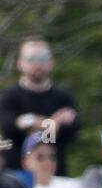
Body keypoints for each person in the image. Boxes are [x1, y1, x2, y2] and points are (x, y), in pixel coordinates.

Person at [0, 37, 80, 175]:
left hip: (56, 175)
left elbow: (72, 132)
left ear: (51, 62)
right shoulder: (10, 96)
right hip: (16, 174)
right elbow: (9, 129)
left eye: (43, 58)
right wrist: (53, 123)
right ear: (20, 63)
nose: (38, 64)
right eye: (31, 59)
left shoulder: (63, 97)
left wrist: (29, 122)